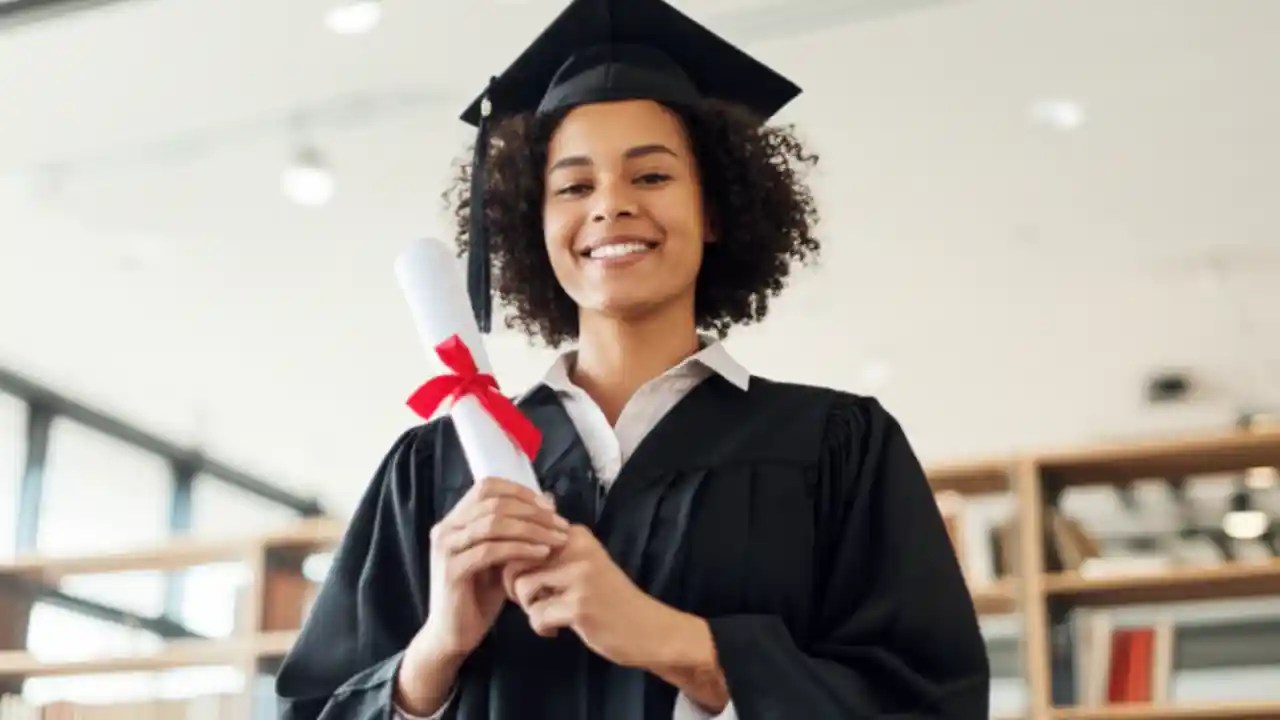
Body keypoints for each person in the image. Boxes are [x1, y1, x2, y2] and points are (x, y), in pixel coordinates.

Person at [275, 0, 990, 717]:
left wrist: (681, 645)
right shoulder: (436, 469)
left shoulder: (838, 448)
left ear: (714, 211)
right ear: (535, 222)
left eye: (650, 177)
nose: (609, 206)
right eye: (574, 186)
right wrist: (436, 650)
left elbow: (930, 703)